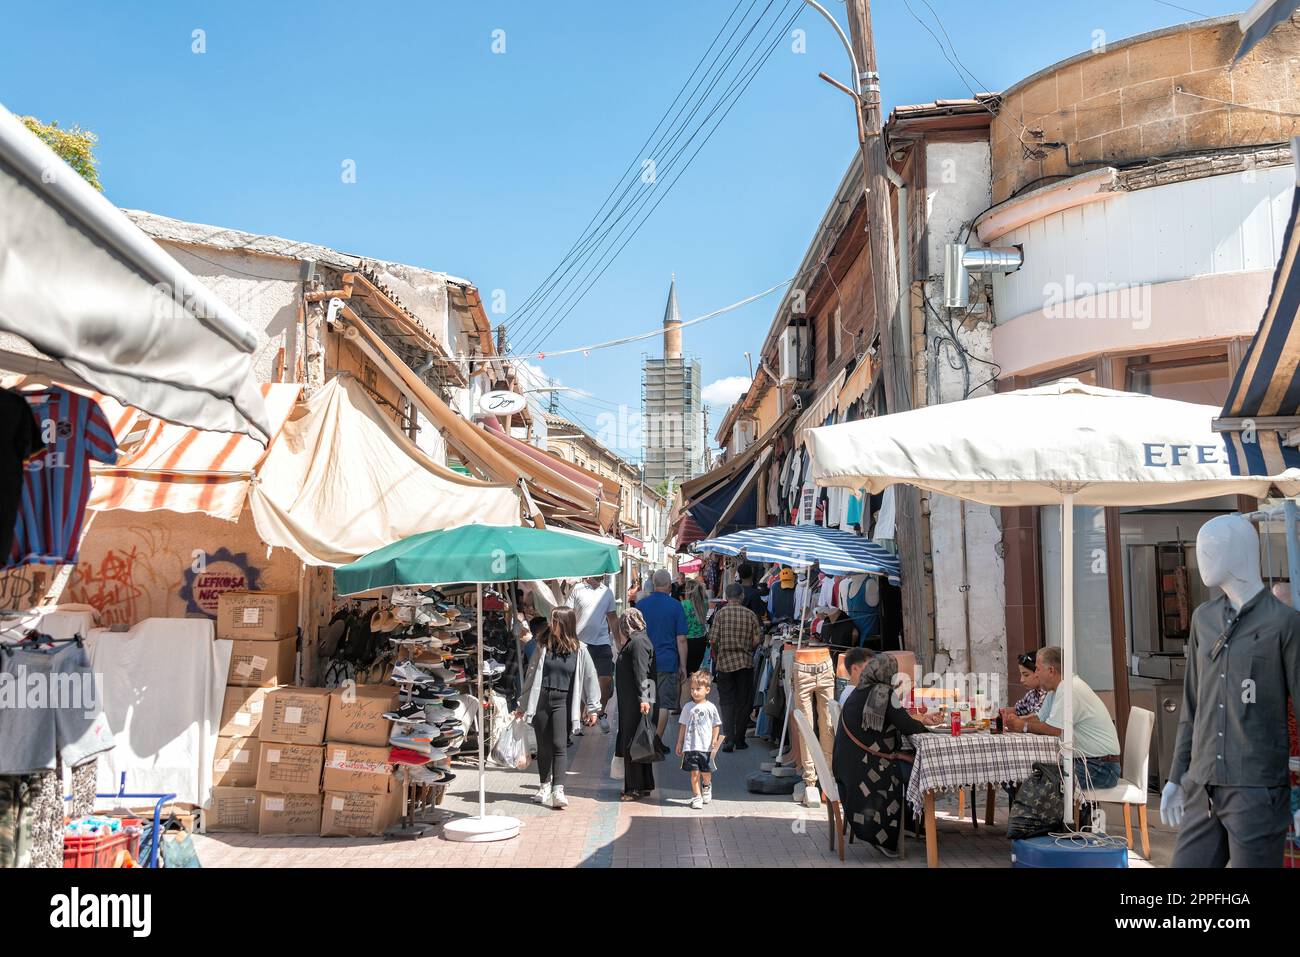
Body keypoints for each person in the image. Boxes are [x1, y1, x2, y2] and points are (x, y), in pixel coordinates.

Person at [832, 653, 942, 856]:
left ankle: (908, 824)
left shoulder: (861, 689)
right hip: (866, 767)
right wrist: (934, 732)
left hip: (847, 762)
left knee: (909, 767)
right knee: (914, 771)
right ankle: (896, 832)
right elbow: (908, 726)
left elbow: (895, 720)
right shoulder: (883, 693)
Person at [516, 607, 600, 809]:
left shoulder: (580, 650)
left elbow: (590, 677)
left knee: (559, 744)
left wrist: (593, 707)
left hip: (563, 702)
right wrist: (523, 704)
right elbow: (531, 673)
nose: (550, 624)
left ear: (564, 623)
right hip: (541, 699)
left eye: (554, 621)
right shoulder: (543, 645)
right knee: (543, 745)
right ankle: (544, 786)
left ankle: (558, 789)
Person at [1006, 645, 1121, 790]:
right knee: (1017, 777)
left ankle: (1068, 813)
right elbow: (1040, 718)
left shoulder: (1068, 688)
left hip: (1101, 767)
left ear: (1051, 671)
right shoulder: (1055, 689)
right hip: (1086, 762)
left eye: (1037, 669)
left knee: (1037, 783)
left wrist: (1022, 726)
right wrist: (1012, 721)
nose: (1035, 673)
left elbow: (1055, 729)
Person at [636, 568, 689, 741]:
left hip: (645, 662)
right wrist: (683, 666)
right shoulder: (676, 606)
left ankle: (648, 738)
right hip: (667, 662)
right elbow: (681, 639)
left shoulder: (641, 605)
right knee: (664, 703)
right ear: (668, 586)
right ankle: (657, 739)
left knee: (648, 699)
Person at [708, 583, 762, 752]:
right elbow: (756, 639)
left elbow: (713, 640)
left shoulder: (720, 614)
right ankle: (739, 739)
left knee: (726, 701)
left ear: (726, 596)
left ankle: (728, 738)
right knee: (743, 701)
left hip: (724, 663)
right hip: (745, 662)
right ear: (741, 596)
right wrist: (749, 648)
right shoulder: (750, 614)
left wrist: (717, 655)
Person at [614, 608, 657, 802]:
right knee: (641, 742)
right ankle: (644, 784)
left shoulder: (638, 642)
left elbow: (641, 672)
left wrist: (644, 700)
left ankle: (633, 788)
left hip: (636, 702)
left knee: (633, 742)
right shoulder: (639, 640)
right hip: (635, 700)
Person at [569, 575, 620, 734]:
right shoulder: (577, 589)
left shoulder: (607, 592)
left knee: (605, 679)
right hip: (580, 643)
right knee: (581, 680)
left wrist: (618, 641)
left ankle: (600, 712)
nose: (602, 574)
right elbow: (569, 614)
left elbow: (612, 617)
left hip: (602, 642)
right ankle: (580, 715)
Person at [676, 671, 722, 810]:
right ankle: (696, 796)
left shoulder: (711, 707)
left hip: (706, 747)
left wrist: (714, 739)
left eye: (698, 689)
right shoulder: (687, 707)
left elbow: (716, 725)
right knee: (694, 773)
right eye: (692, 689)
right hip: (690, 746)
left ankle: (706, 785)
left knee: (706, 772)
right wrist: (680, 742)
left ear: (707, 690)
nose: (694, 692)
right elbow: (683, 725)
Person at [681, 578, 710, 674]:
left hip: (687, 641)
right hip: (701, 640)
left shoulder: (683, 604)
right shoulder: (705, 603)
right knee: (695, 671)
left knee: (686, 672)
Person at [1010, 651, 1046, 716]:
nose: (1021, 680)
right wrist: (1001, 712)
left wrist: (1017, 721)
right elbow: (1018, 709)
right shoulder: (1032, 694)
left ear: (1038, 672)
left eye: (1026, 675)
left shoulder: (1049, 694)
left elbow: (1037, 718)